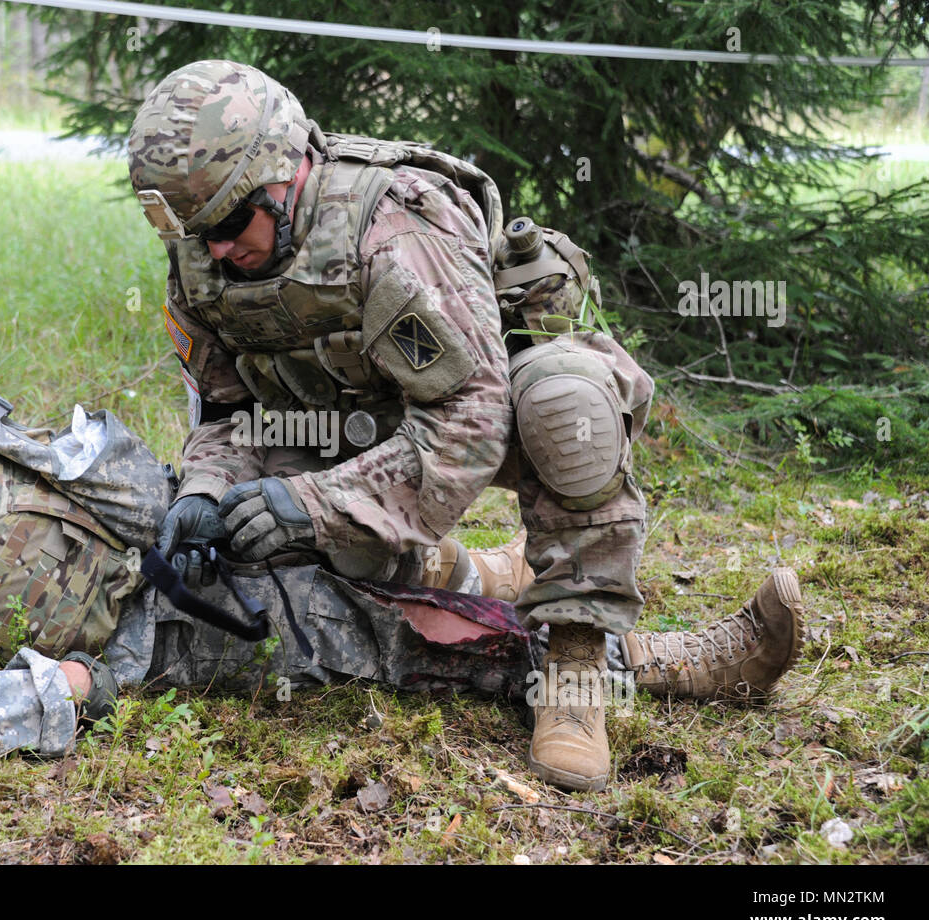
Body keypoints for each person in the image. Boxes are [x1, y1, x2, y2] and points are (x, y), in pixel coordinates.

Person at [0, 306, 804, 771]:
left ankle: (485, 568)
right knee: (366, 630)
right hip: (142, 624)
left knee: (339, 509)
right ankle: (647, 663)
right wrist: (58, 687)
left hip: (154, 541)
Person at [127, 59, 758, 791]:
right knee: (266, 553)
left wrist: (315, 504)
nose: (216, 252)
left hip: (477, 408)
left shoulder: (396, 223)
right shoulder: (206, 259)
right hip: (348, 425)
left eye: (232, 224)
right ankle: (482, 572)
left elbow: (470, 420)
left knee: (567, 408)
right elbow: (228, 411)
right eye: (197, 233)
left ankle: (577, 664)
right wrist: (204, 490)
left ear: (287, 175)